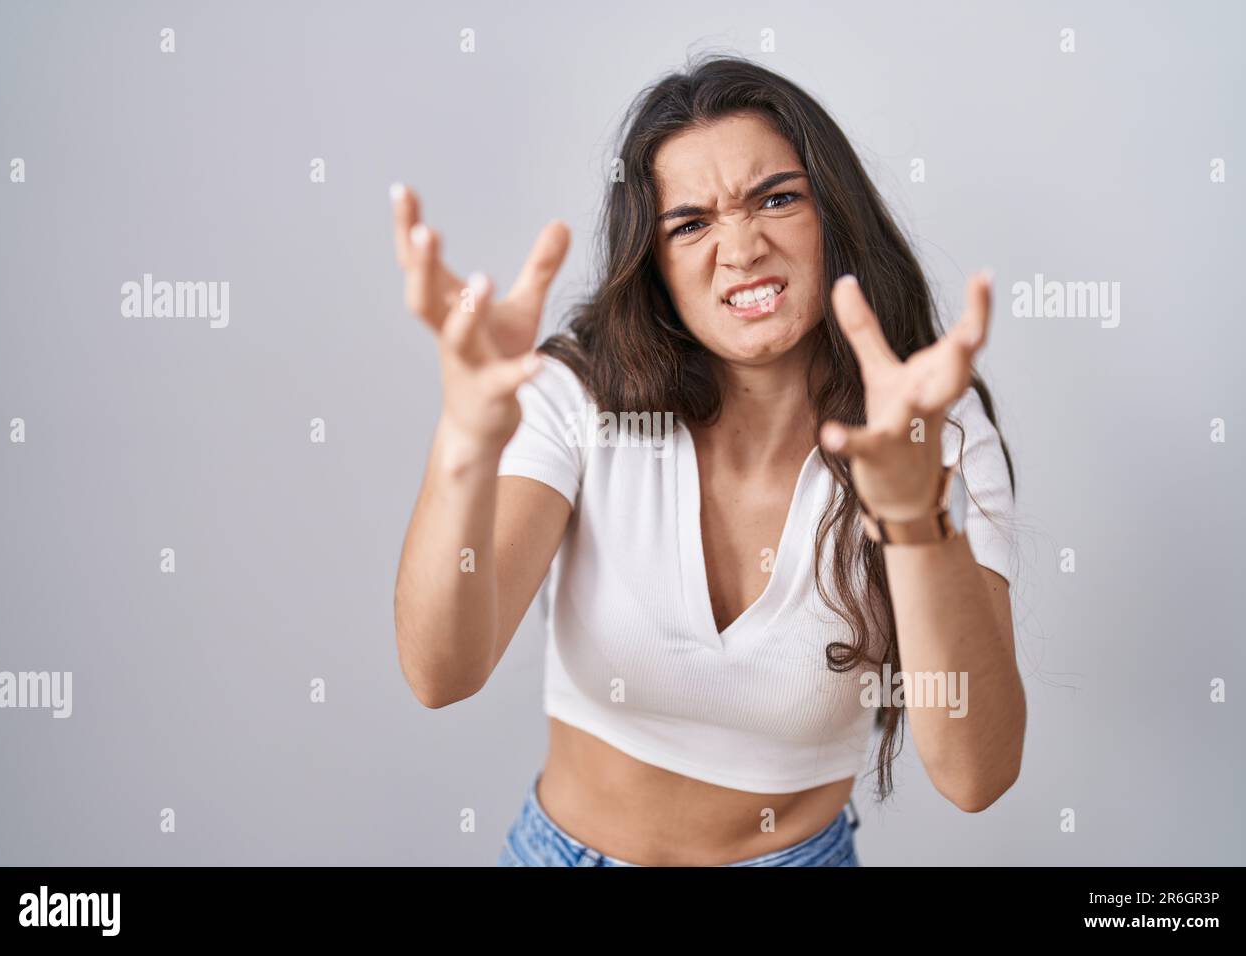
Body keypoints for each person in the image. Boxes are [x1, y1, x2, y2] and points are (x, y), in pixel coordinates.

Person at [390, 55, 1025, 867]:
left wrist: (917, 520)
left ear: (835, 215)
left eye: (778, 199)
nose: (742, 246)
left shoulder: (934, 423)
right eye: (690, 223)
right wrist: (467, 440)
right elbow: (443, 673)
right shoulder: (579, 393)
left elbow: (978, 775)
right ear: (653, 265)